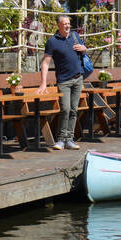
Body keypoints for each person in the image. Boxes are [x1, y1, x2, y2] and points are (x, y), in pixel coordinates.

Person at [37, 14, 86, 150]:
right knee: (65, 109)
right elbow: (46, 63)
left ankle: (69, 139)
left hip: (78, 78)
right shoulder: (52, 41)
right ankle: (60, 139)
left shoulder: (75, 36)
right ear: (58, 25)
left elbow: (84, 51)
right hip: (64, 80)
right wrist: (43, 83)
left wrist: (84, 49)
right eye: (65, 23)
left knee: (74, 109)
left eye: (69, 23)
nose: (68, 26)